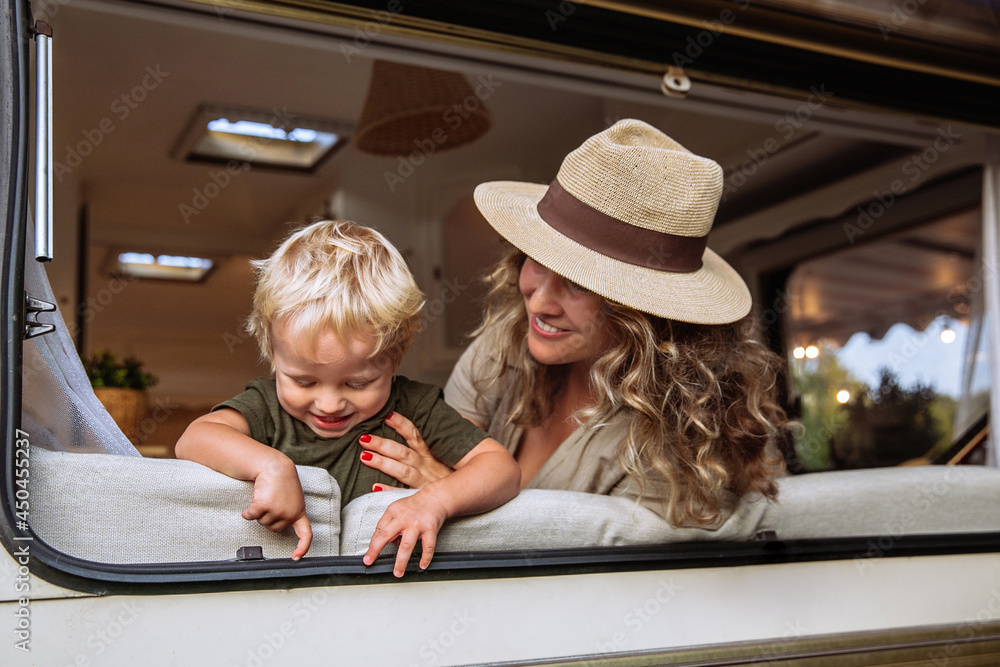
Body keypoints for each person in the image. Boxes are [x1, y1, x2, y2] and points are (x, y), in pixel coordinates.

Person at [361, 119, 791, 529]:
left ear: (647, 312)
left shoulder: (685, 439)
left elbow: (596, 579)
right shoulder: (504, 343)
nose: (539, 302)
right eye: (536, 261)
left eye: (577, 284)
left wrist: (446, 491)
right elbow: (431, 452)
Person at [175, 219, 520, 576]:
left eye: (357, 383)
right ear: (273, 354)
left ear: (395, 357)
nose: (328, 404)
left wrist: (435, 500)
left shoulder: (415, 407)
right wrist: (271, 466)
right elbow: (195, 438)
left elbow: (502, 470)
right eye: (304, 382)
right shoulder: (266, 407)